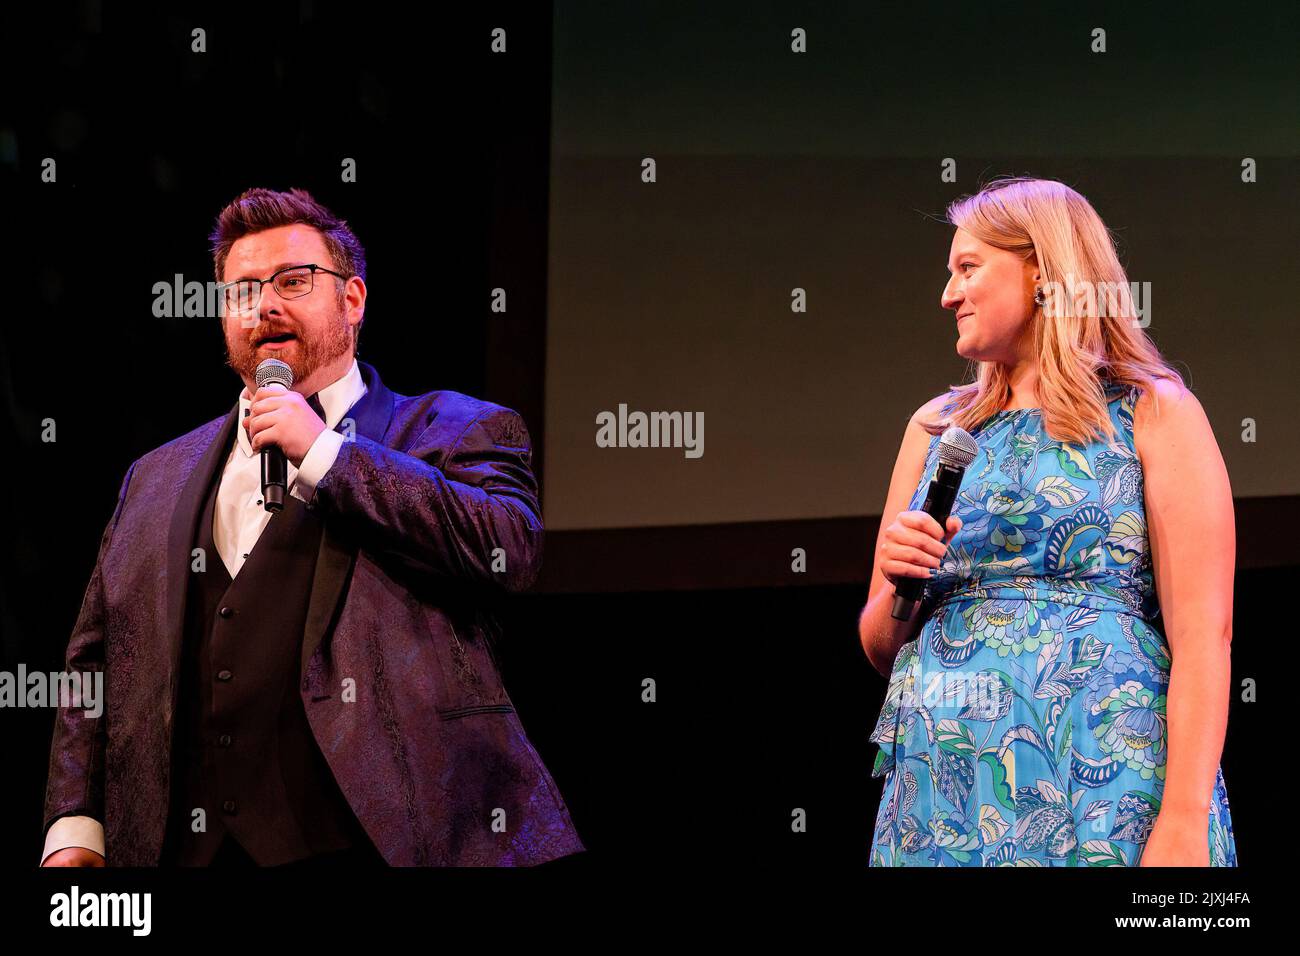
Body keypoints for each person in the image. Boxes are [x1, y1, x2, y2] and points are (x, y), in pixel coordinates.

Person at [41, 187, 585, 867]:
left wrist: (326, 454)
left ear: (352, 301)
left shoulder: (454, 430)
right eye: (242, 291)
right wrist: (76, 824)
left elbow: (510, 547)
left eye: (293, 282)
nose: (265, 305)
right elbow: (96, 658)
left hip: (391, 844)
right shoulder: (154, 478)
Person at [859, 177, 1237, 867]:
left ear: (1042, 269)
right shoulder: (937, 428)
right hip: (945, 788)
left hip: (1105, 770)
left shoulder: (1151, 411)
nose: (947, 295)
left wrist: (1182, 821)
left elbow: (1204, 637)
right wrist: (896, 579)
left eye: (967, 268)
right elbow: (882, 644)